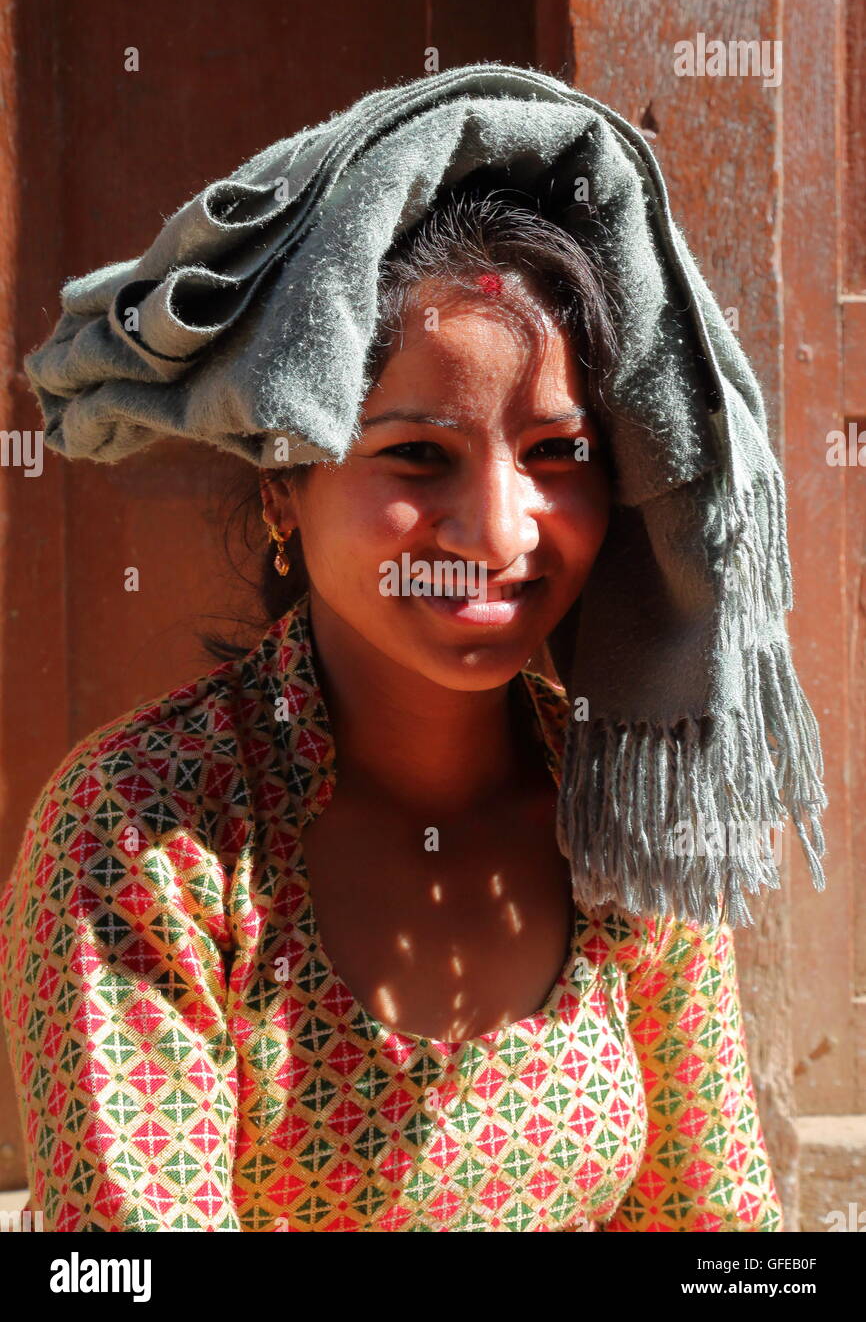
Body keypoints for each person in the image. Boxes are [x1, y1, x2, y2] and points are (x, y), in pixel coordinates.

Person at [0, 182, 784, 1231]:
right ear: (283, 482)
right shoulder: (144, 831)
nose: (499, 532)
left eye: (555, 453)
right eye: (418, 454)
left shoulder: (622, 815)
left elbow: (717, 1230)